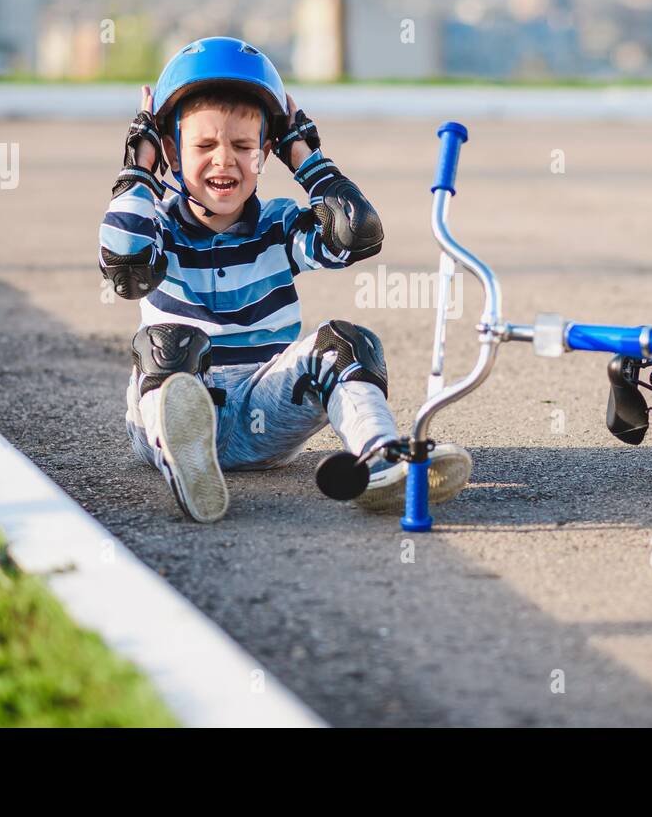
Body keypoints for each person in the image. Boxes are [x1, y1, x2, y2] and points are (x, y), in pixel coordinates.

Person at [98, 36, 472, 522]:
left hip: (264, 414)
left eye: (244, 146)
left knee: (346, 342)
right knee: (168, 342)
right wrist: (139, 164)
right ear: (171, 149)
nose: (224, 160)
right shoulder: (157, 228)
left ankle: (380, 459)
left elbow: (355, 233)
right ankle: (188, 467)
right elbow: (124, 264)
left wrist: (305, 156)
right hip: (172, 412)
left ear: (265, 152)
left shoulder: (278, 226)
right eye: (204, 145)